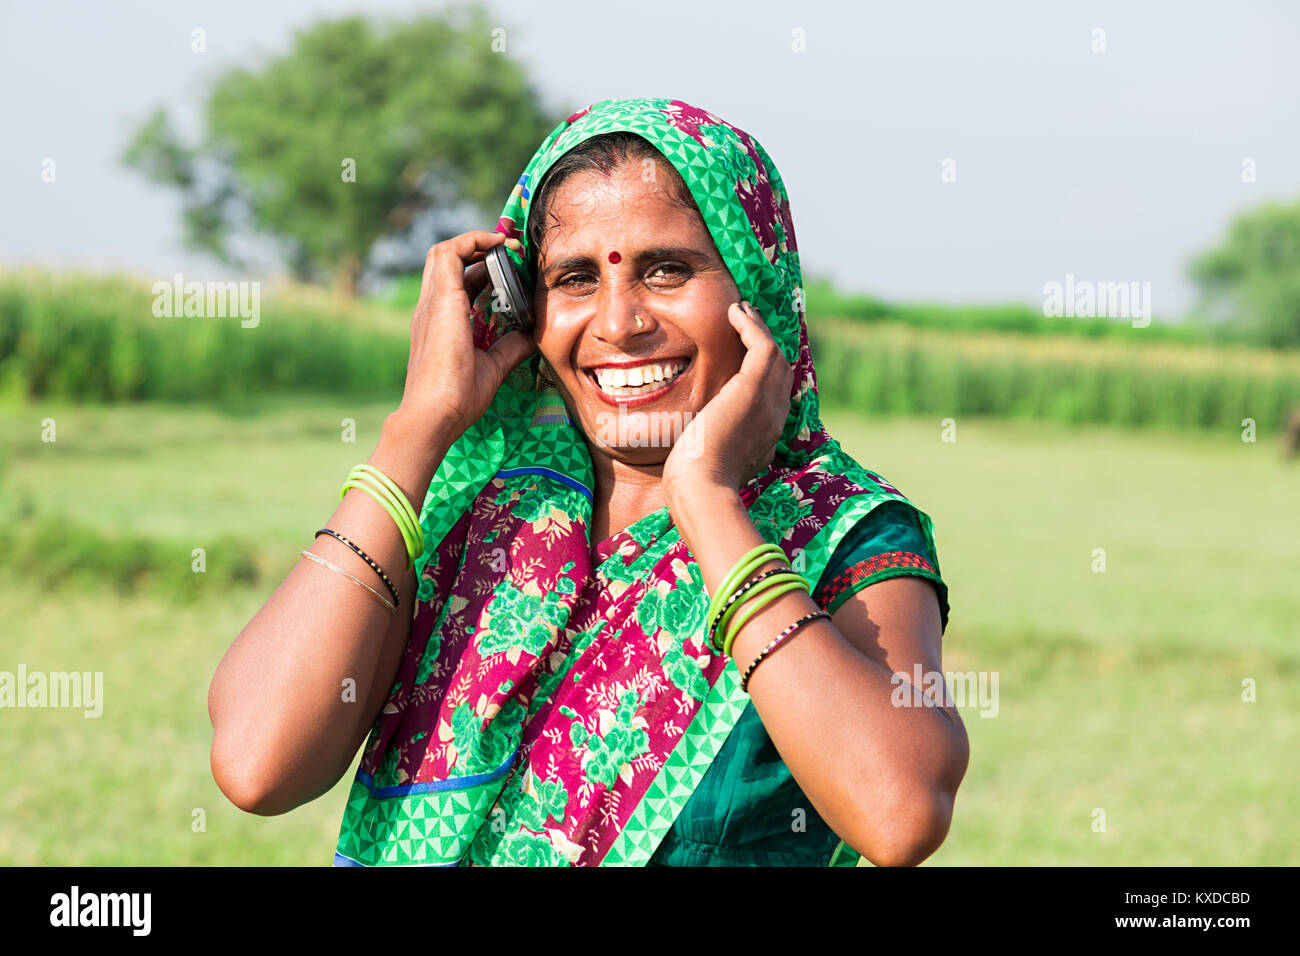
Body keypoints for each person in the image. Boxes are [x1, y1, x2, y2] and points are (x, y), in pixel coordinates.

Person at [208, 96, 969, 867]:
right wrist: (419, 427)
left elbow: (900, 811)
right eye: (574, 278)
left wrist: (706, 499)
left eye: (667, 269)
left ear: (758, 282)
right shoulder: (472, 508)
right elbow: (257, 764)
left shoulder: (842, 530)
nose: (618, 321)